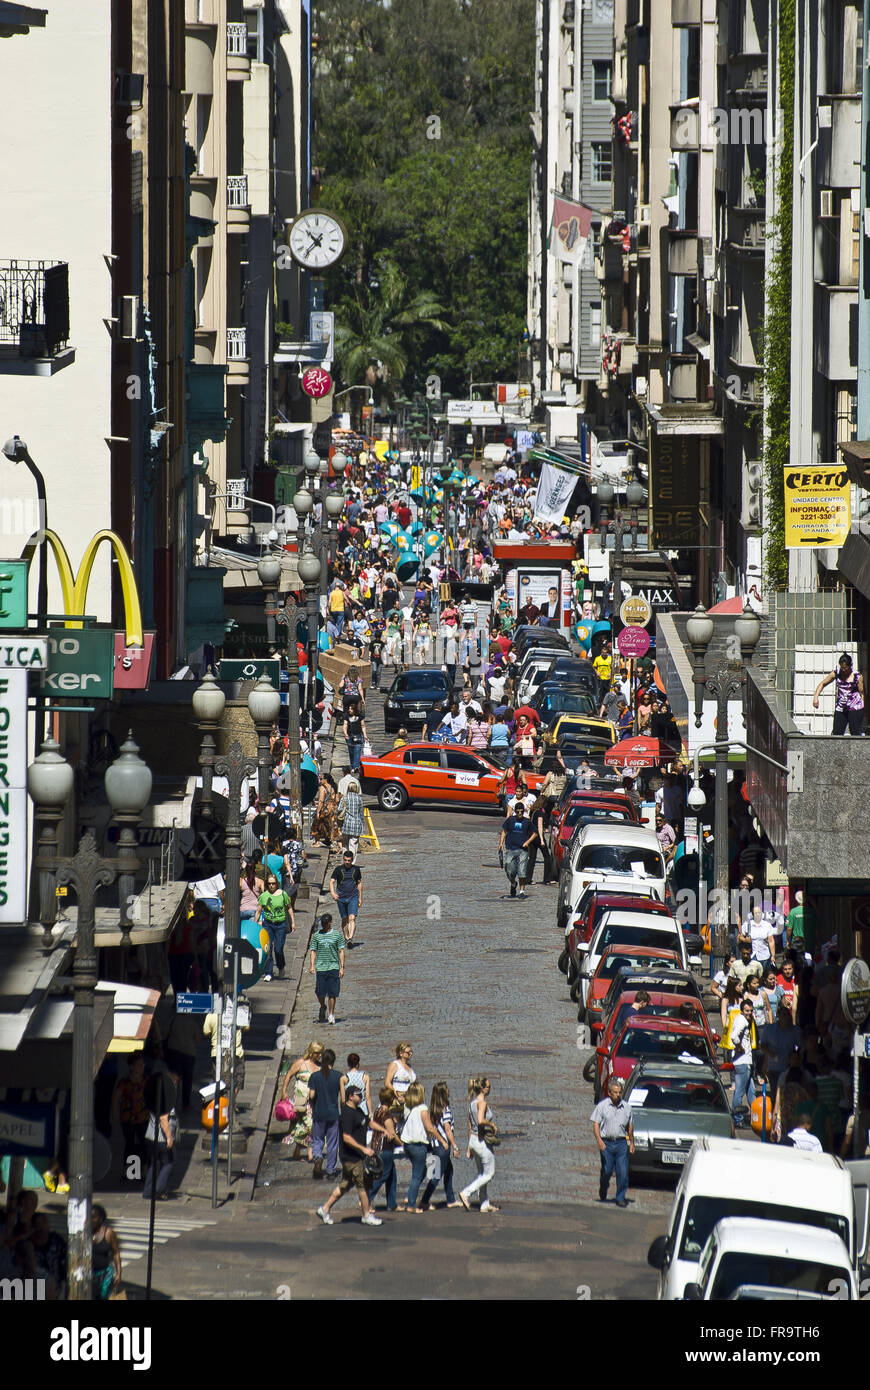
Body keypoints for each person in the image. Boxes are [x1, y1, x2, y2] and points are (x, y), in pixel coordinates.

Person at [316, 1084, 383, 1226]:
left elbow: (369, 1123)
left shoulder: (358, 1110)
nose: (362, 1097)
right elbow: (346, 1137)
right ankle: (366, 1215)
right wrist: (363, 1149)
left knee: (345, 1185)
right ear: (351, 1096)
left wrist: (384, 1130)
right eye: (359, 1095)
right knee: (363, 1185)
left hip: (357, 1156)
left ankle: (325, 1208)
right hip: (351, 1157)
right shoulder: (347, 1113)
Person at [400, 1081, 448, 1213]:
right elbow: (430, 1128)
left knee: (420, 1172)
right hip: (418, 1146)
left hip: (408, 1144)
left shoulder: (410, 1108)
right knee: (417, 1175)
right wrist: (442, 1140)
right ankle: (411, 1204)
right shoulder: (422, 1109)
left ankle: (410, 1196)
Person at [591, 1077, 635, 1208]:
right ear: (609, 1093)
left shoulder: (627, 1108)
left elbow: (630, 1127)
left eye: (619, 1092)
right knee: (607, 1170)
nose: (617, 1095)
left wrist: (632, 1142)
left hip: (621, 1143)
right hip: (607, 1143)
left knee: (622, 1171)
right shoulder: (602, 1106)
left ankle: (620, 1197)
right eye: (615, 1092)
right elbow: (596, 1124)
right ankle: (603, 1186)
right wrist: (599, 1140)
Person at [459, 1076, 499, 1212]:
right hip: (482, 1142)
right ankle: (466, 1193)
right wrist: (491, 1124)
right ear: (482, 1089)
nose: (490, 1089)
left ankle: (484, 1203)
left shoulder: (472, 1104)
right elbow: (481, 1120)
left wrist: (469, 1146)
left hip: (473, 1140)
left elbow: (470, 1126)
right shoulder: (482, 1103)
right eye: (488, 1087)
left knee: (482, 1172)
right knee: (489, 1174)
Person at [420, 1081, 462, 1209]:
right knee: (436, 1175)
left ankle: (450, 1200)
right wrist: (454, 1146)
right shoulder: (445, 1109)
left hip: (435, 1145)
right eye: (447, 1089)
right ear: (444, 1093)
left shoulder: (433, 1109)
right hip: (443, 1146)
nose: (449, 1090)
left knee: (448, 1171)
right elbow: (447, 1129)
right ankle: (424, 1201)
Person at [280, 1040, 323, 1159]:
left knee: (302, 1125)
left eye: (321, 1053)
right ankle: (310, 1153)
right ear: (311, 1052)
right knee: (309, 1126)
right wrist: (284, 1091)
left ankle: (297, 1152)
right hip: (300, 1100)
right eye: (317, 1053)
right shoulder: (301, 1063)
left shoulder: (320, 1067)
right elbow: (288, 1075)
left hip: (314, 1102)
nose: (320, 1055)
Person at [367, 1087, 403, 1212]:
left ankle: (392, 1203)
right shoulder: (387, 1115)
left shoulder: (378, 1110)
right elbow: (392, 1134)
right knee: (382, 1176)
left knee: (392, 1177)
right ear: (391, 1099)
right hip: (385, 1148)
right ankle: (366, 1200)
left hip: (376, 1145)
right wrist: (402, 1144)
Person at [309, 1047, 342, 1180]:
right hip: (333, 1113)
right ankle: (330, 1170)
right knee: (333, 1143)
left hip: (319, 1112)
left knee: (317, 1139)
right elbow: (343, 1097)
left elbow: (311, 1095)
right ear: (333, 1061)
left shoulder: (315, 1076)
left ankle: (317, 1157)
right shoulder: (338, 1076)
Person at [813, 652, 864, 735]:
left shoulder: (857, 676)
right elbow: (822, 684)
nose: (843, 670)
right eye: (842, 668)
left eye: (846, 668)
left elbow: (862, 692)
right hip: (841, 707)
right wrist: (816, 697)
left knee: (855, 731)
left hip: (855, 707)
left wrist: (862, 708)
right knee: (837, 732)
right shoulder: (836, 673)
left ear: (850, 666)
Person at [255, 872, 293, 982]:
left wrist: (293, 922)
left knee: (278, 949)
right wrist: (255, 922)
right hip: (268, 924)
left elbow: (289, 907)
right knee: (268, 948)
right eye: (270, 884)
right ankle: (268, 972)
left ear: (277, 884)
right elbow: (259, 910)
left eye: (274, 883)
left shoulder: (283, 894)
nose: (272, 886)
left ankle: (281, 967)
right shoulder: (264, 896)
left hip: (280, 925)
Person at [309, 912, 345, 1025]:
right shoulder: (317, 936)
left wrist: (342, 967)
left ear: (330, 923)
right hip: (321, 967)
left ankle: (331, 1014)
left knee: (332, 993)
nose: (324, 925)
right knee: (320, 992)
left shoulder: (337, 935)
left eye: (326, 923)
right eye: (322, 923)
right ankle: (322, 1006)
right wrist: (312, 965)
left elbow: (341, 951)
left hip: (333, 966)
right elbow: (313, 951)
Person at [498, 801, 537, 899]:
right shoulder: (510, 820)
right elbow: (504, 831)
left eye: (521, 811)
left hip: (522, 850)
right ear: (515, 811)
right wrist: (500, 844)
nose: (520, 813)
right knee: (509, 868)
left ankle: (522, 891)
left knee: (522, 870)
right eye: (518, 811)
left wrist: (527, 842)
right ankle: (513, 883)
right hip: (511, 848)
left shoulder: (527, 822)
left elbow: (535, 833)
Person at [729, 998, 757, 1126]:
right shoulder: (742, 1021)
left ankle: (757, 1117)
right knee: (739, 1092)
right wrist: (740, 1047)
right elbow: (734, 1036)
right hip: (742, 1062)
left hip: (746, 1061)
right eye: (746, 1010)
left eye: (751, 1010)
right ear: (742, 1010)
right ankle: (738, 1119)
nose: (749, 1013)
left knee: (751, 1091)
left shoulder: (744, 1020)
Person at [330, 850, 364, 947]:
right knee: (344, 919)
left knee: (352, 918)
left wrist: (360, 897)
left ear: (352, 860)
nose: (347, 862)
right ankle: (346, 937)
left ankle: (350, 938)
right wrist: (333, 893)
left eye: (349, 860)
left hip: (353, 896)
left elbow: (359, 883)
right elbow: (332, 881)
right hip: (341, 897)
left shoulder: (356, 870)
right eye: (345, 860)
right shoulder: (338, 869)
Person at [91, 1205, 122, 1300]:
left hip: (105, 1273)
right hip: (90, 1273)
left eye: (93, 1218)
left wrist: (119, 1273)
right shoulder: (85, 1232)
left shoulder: (109, 1233)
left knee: (104, 1296)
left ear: (100, 1219)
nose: (91, 1220)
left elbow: (116, 1253)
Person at [786, 889, 821, 960]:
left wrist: (788, 941)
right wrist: (818, 943)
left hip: (797, 943)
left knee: (797, 961)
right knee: (810, 962)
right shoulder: (812, 912)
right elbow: (817, 930)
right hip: (810, 942)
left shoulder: (793, 912)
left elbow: (789, 929)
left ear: (796, 899)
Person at [311, 773, 342, 848]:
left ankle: (317, 842)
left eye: (321, 779)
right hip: (333, 808)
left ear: (325, 780)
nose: (320, 780)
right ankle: (338, 845)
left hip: (325, 810)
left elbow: (321, 801)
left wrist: (318, 811)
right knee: (332, 826)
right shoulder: (333, 787)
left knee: (316, 825)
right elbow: (337, 800)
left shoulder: (322, 787)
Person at [340, 1052, 373, 1118]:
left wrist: (343, 1111)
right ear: (358, 1063)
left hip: (349, 1109)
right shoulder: (365, 1077)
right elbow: (368, 1097)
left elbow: (343, 1099)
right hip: (363, 1109)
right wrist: (370, 1113)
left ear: (348, 1064)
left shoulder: (344, 1078)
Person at [343, 701, 368, 774]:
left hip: (359, 736)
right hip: (350, 736)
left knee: (357, 751)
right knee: (351, 752)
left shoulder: (360, 717)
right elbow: (345, 725)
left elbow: (363, 726)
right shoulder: (346, 716)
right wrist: (345, 734)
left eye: (351, 709)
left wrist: (365, 736)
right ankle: (352, 766)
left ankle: (356, 767)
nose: (349, 710)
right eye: (349, 709)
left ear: (354, 710)